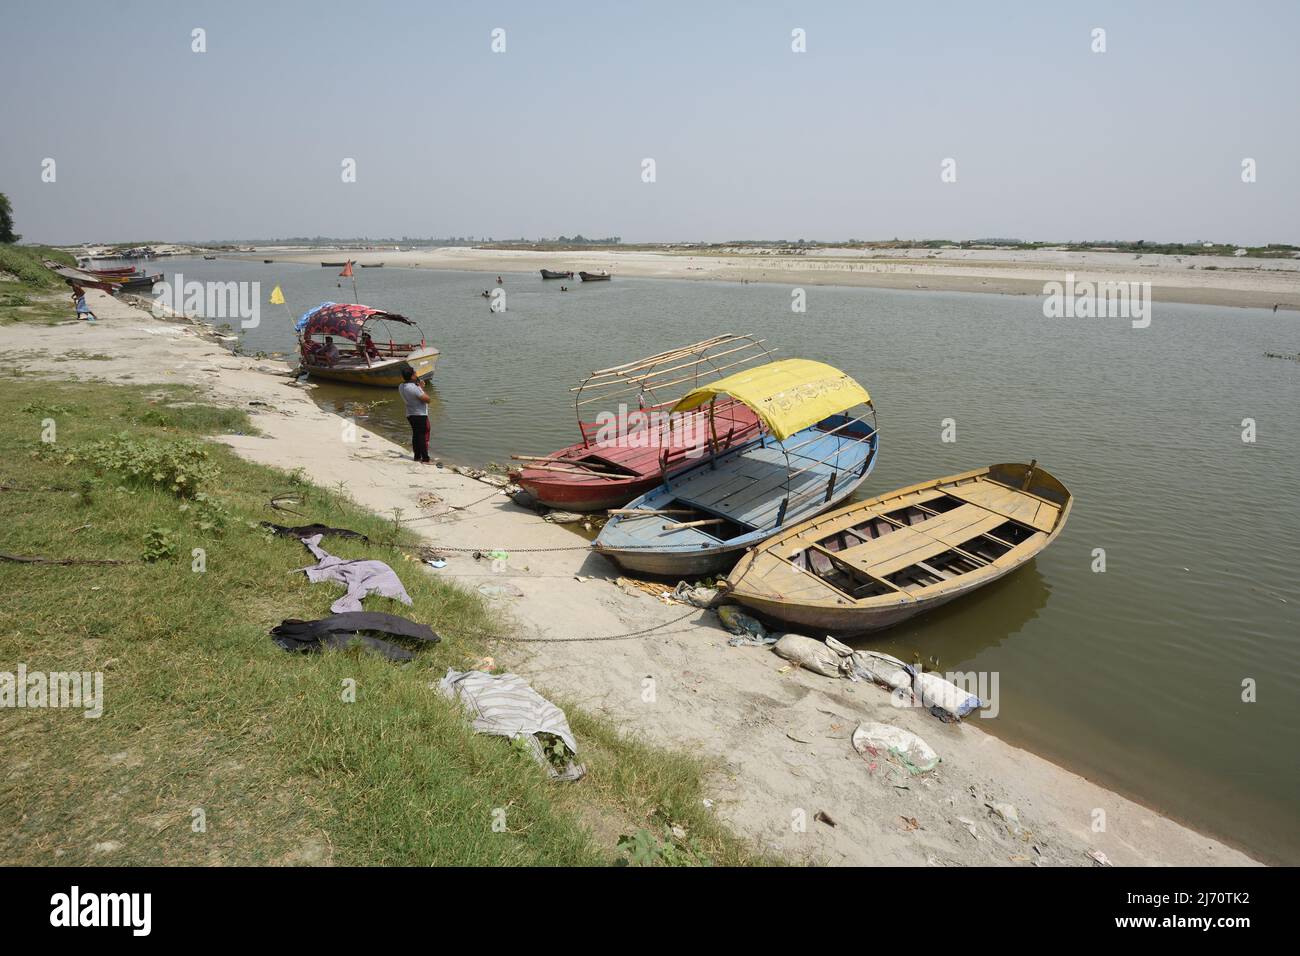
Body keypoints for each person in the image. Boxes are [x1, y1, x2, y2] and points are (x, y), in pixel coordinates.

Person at [399, 366, 431, 463]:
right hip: (419, 414)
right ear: (412, 376)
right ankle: (425, 459)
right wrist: (421, 389)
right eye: (415, 373)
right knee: (421, 436)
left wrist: (419, 387)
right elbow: (427, 399)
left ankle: (417, 456)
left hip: (410, 413)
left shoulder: (401, 386)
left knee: (416, 435)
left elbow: (414, 396)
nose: (416, 374)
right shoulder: (413, 387)